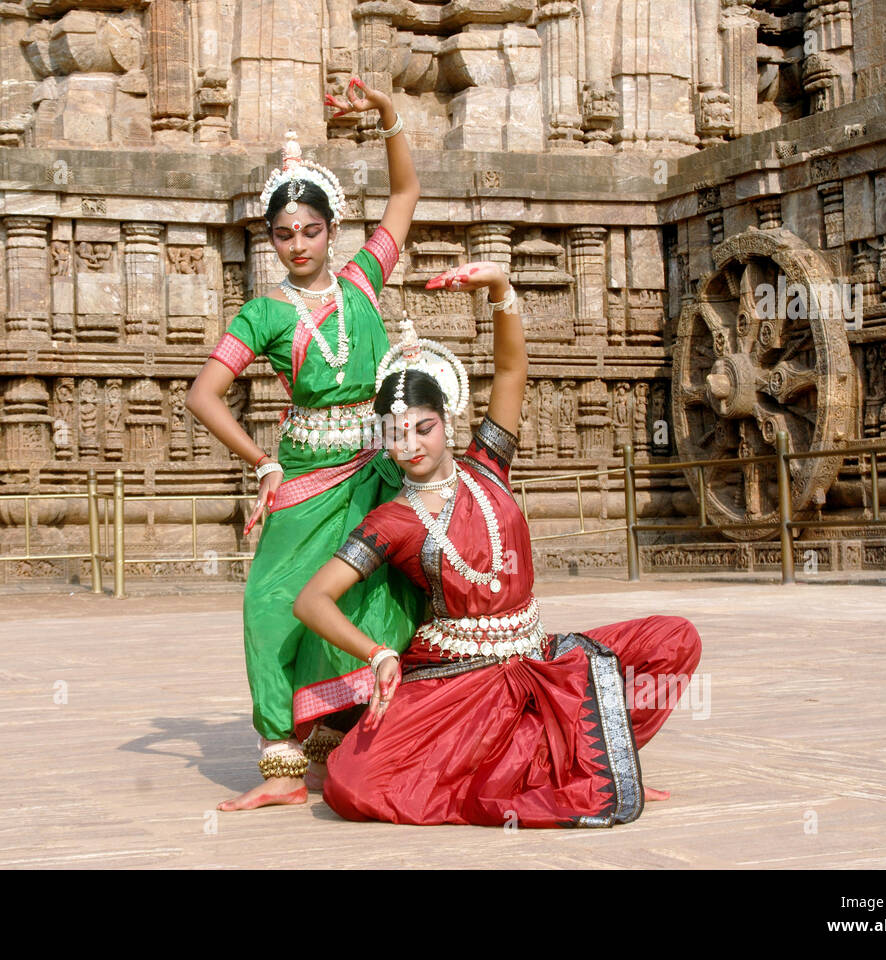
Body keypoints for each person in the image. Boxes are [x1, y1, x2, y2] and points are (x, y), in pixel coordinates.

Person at [292, 262, 703, 827]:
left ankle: (599, 759)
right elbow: (311, 601)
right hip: (456, 680)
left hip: (536, 658)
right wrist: (378, 653)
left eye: (422, 427)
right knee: (353, 784)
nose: (409, 444)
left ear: (446, 421)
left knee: (672, 641)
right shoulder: (392, 520)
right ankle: (562, 767)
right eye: (394, 433)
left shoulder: (489, 467)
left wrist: (501, 290)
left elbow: (511, 370)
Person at [185, 78, 426, 811]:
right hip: (303, 474)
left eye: (309, 231)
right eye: (283, 234)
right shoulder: (261, 313)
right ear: (272, 239)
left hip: (377, 466)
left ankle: (348, 734)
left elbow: (406, 197)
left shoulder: (363, 281)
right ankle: (282, 765)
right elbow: (202, 394)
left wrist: (388, 116)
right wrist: (261, 461)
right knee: (269, 601)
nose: (297, 245)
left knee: (376, 597)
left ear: (332, 230)